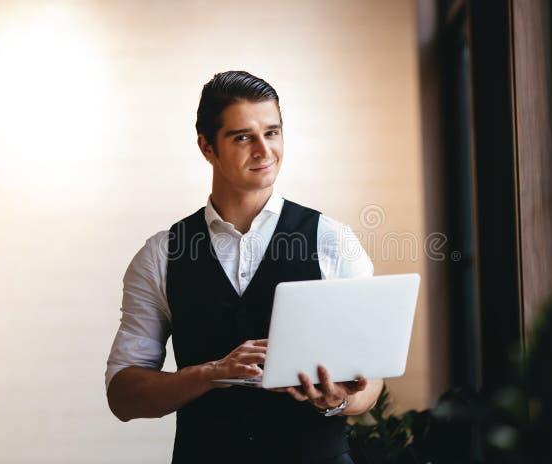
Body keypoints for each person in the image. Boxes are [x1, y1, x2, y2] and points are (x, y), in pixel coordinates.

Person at [105, 70, 383, 463]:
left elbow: (371, 383)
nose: (264, 150)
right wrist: (211, 373)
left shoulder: (333, 240)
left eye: (272, 132)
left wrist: (338, 399)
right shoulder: (161, 254)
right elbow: (122, 395)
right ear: (206, 147)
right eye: (242, 137)